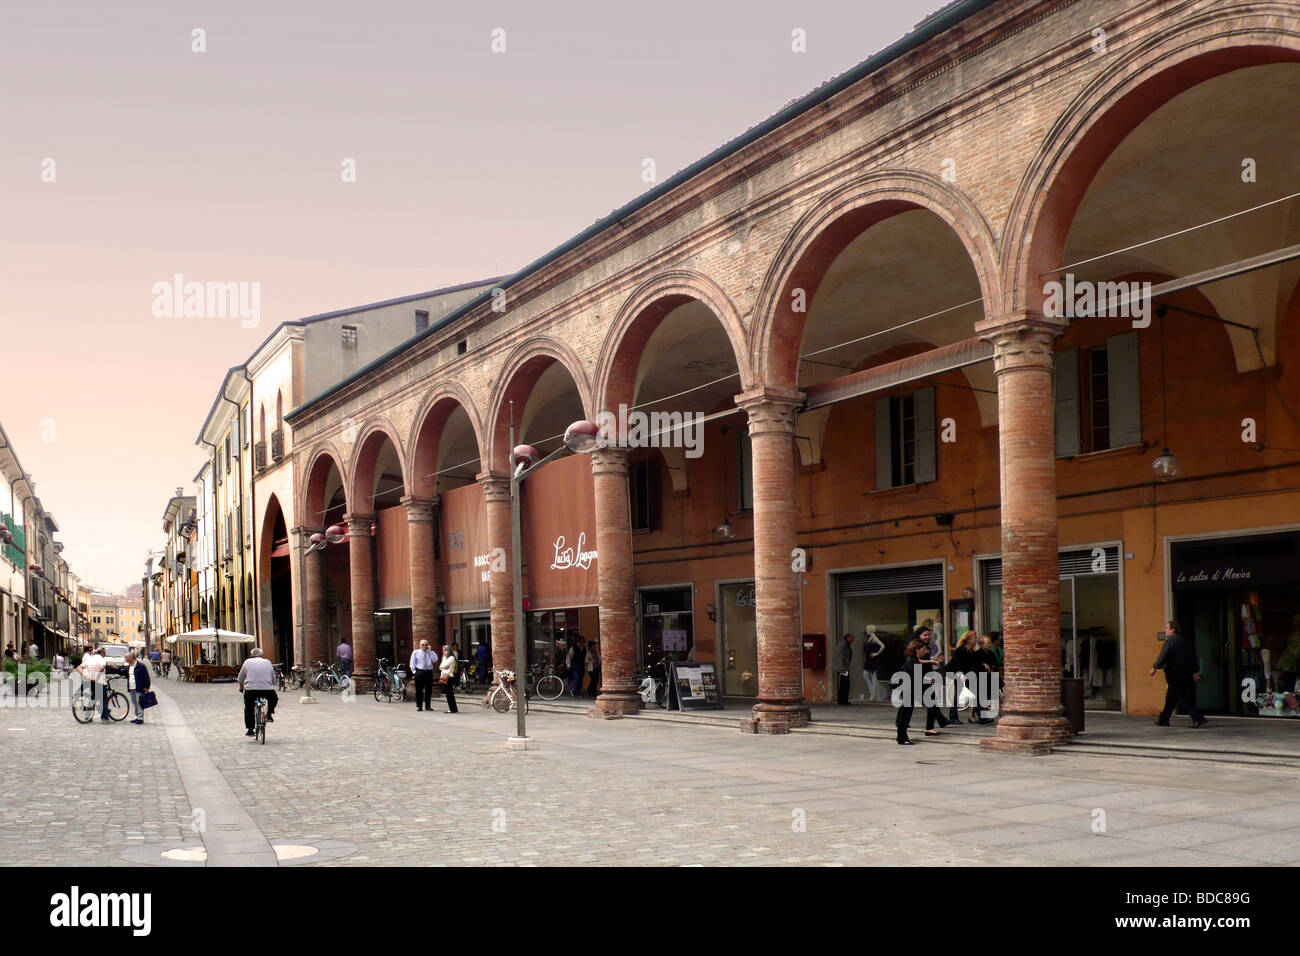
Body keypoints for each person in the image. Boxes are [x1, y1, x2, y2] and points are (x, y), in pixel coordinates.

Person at [1150, 620, 1206, 728]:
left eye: (1166, 628)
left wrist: (1155, 667)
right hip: (1186, 673)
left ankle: (1197, 717)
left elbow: (1164, 654)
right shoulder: (1186, 641)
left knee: (1180, 696)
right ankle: (1163, 720)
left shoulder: (1171, 640)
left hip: (1174, 672)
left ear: (1173, 629)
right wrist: (1195, 670)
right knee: (1171, 696)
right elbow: (1193, 656)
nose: (1164, 630)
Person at [916, 626, 950, 736]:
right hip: (919, 677)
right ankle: (932, 726)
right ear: (919, 635)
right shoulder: (916, 646)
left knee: (932, 701)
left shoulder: (925, 646)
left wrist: (934, 661)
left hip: (927, 676)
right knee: (930, 702)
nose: (927, 637)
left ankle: (940, 721)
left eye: (928, 635)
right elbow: (914, 661)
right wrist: (931, 661)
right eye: (924, 635)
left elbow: (925, 661)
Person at [236, 647, 279, 737]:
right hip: (267, 690)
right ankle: (269, 714)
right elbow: (273, 678)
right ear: (262, 655)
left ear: (252, 655)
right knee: (274, 699)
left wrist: (241, 688)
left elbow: (240, 678)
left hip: (251, 690)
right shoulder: (267, 662)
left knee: (249, 708)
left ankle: (250, 729)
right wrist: (272, 684)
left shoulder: (247, 662)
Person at [77, 647, 110, 723]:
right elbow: (102, 668)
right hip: (99, 682)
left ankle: (88, 716)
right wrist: (97, 677)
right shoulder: (101, 659)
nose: (105, 654)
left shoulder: (90, 659)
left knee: (93, 698)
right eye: (105, 652)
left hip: (90, 681)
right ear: (101, 653)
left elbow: (79, 667)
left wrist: (85, 675)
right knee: (104, 700)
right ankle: (104, 718)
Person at [124, 652, 151, 725]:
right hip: (131, 687)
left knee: (139, 702)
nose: (125, 659)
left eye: (126, 657)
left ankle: (140, 718)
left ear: (131, 658)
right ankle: (137, 716)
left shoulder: (140, 666)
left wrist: (146, 686)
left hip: (139, 687)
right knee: (134, 702)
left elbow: (146, 676)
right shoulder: (129, 666)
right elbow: (123, 672)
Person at [410, 640, 438, 712]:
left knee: (429, 690)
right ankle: (419, 706)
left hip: (428, 672)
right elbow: (412, 663)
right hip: (420, 671)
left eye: (426, 645)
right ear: (420, 645)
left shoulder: (431, 652)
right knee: (419, 690)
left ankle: (428, 706)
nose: (424, 646)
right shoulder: (416, 652)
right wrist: (414, 672)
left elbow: (435, 660)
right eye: (423, 645)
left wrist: (430, 651)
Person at [861, 626, 885, 702]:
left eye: (867, 630)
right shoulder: (870, 638)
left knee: (873, 677)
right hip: (869, 659)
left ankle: (873, 695)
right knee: (865, 675)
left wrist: (876, 653)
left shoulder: (874, 638)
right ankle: (872, 693)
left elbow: (882, 645)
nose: (866, 631)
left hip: (872, 659)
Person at [439, 644, 459, 714]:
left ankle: (453, 709)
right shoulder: (445, 658)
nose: (443, 652)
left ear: (448, 651)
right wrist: (443, 665)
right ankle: (452, 708)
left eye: (444, 650)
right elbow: (440, 666)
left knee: (449, 693)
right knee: (448, 694)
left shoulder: (451, 658)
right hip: (444, 676)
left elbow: (444, 665)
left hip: (449, 677)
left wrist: (443, 666)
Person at [835, 633, 854, 705]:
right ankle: (843, 700)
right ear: (847, 638)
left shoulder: (846, 644)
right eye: (851, 638)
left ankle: (843, 699)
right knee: (845, 683)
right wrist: (843, 668)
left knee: (845, 683)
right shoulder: (843, 645)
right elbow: (840, 656)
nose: (853, 639)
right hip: (843, 668)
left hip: (845, 667)